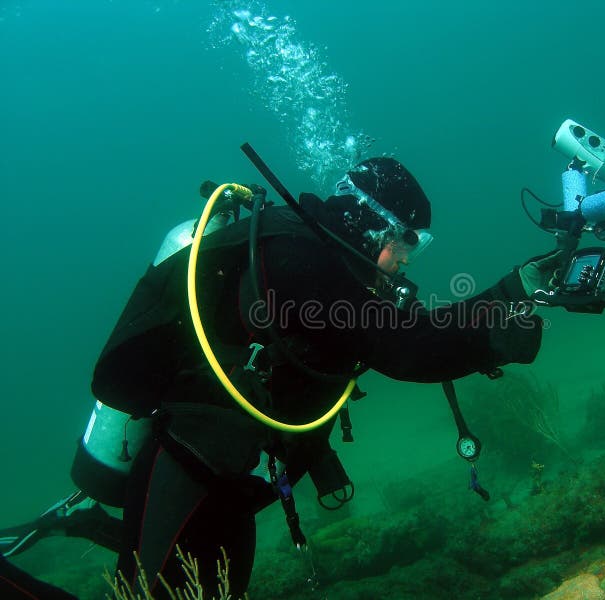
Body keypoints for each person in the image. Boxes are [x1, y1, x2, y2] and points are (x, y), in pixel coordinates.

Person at [0, 157, 557, 598]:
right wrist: (495, 337)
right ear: (373, 223)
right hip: (190, 467)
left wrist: (514, 289)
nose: (410, 258)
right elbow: (408, 351)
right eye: (409, 240)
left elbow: (410, 331)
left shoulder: (331, 264)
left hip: (237, 482)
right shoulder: (300, 261)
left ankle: (88, 523)